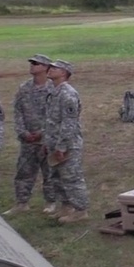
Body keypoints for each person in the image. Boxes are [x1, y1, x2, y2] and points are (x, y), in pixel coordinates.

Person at [3, 54, 57, 216]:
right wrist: (23, 132)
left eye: (36, 63)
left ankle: (51, 202)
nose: (32, 66)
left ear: (46, 68)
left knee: (49, 172)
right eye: (31, 63)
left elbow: (55, 116)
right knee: (24, 172)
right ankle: (22, 202)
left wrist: (43, 133)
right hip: (27, 140)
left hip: (46, 140)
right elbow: (18, 111)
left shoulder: (53, 89)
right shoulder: (24, 88)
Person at [43, 60, 90, 224]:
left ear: (64, 73)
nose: (50, 70)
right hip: (54, 143)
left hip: (67, 144)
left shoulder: (67, 94)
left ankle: (81, 210)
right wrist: (47, 142)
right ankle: (66, 207)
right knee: (57, 178)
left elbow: (68, 123)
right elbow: (51, 120)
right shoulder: (53, 92)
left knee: (72, 178)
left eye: (55, 68)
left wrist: (62, 146)